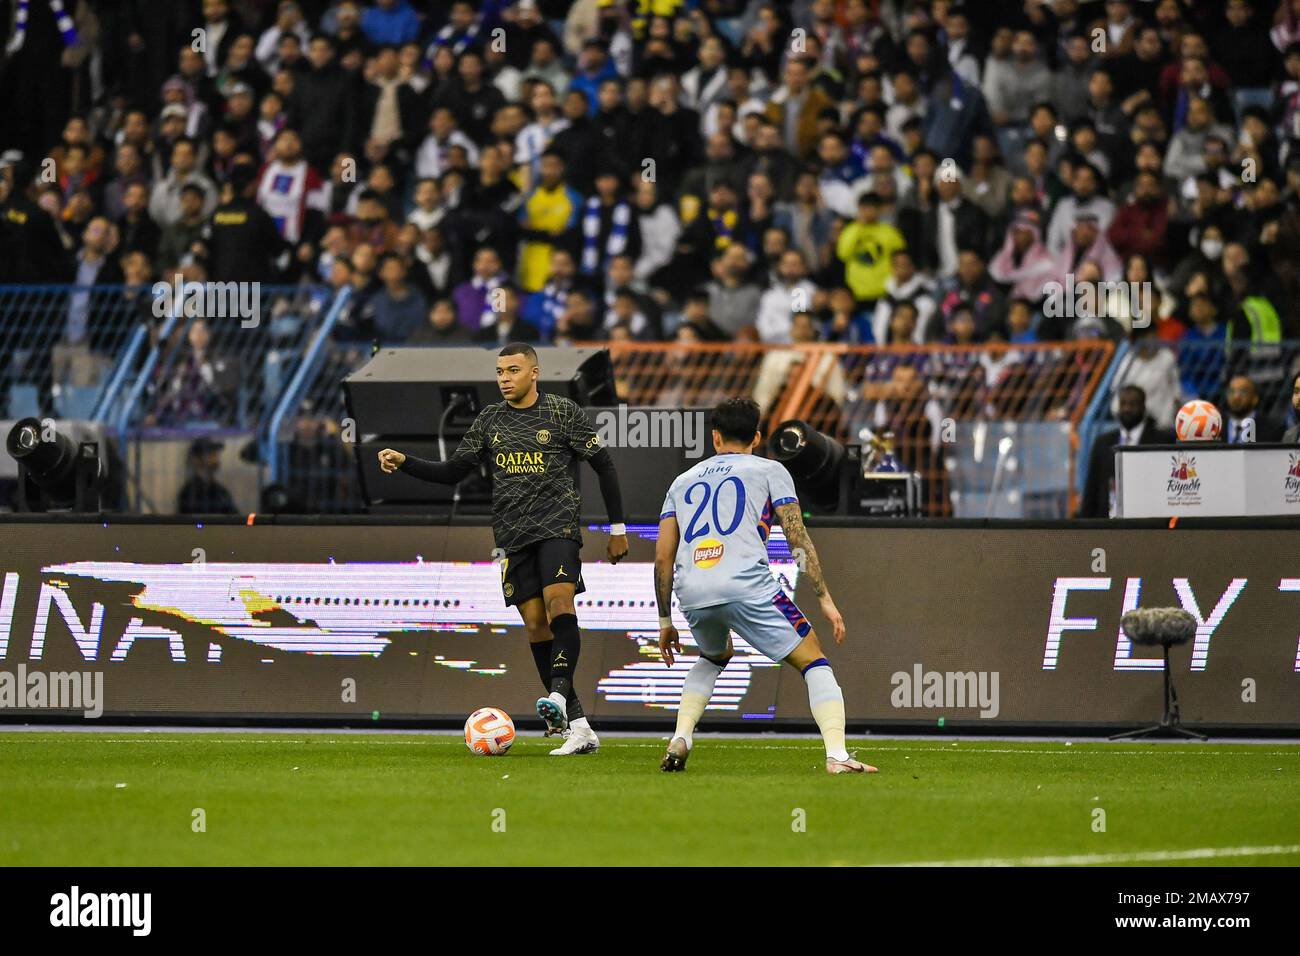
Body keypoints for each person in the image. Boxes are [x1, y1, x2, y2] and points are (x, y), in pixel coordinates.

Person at [377, 344, 628, 755]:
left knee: (559, 604)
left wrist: (618, 528)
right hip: (513, 535)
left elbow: (604, 464)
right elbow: (453, 472)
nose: (504, 378)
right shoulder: (489, 419)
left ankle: (560, 700)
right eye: (499, 372)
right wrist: (405, 461)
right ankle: (579, 728)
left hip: (558, 527)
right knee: (534, 625)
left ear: (534, 373)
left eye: (513, 369)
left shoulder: (562, 412)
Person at [654, 397, 876, 775]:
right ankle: (837, 755)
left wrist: (664, 620)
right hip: (747, 585)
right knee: (814, 660)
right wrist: (824, 597)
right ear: (757, 436)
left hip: (691, 589)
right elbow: (797, 538)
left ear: (715, 437)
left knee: (713, 656)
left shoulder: (681, 482)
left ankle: (682, 736)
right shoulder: (771, 470)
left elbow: (662, 558)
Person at [1079, 385, 1175, 519]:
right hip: (1107, 526)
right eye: (1123, 404)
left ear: (1143, 407)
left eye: (1132, 404)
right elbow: (1091, 489)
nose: (1127, 409)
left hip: (1148, 524)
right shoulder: (1102, 442)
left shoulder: (1162, 440)